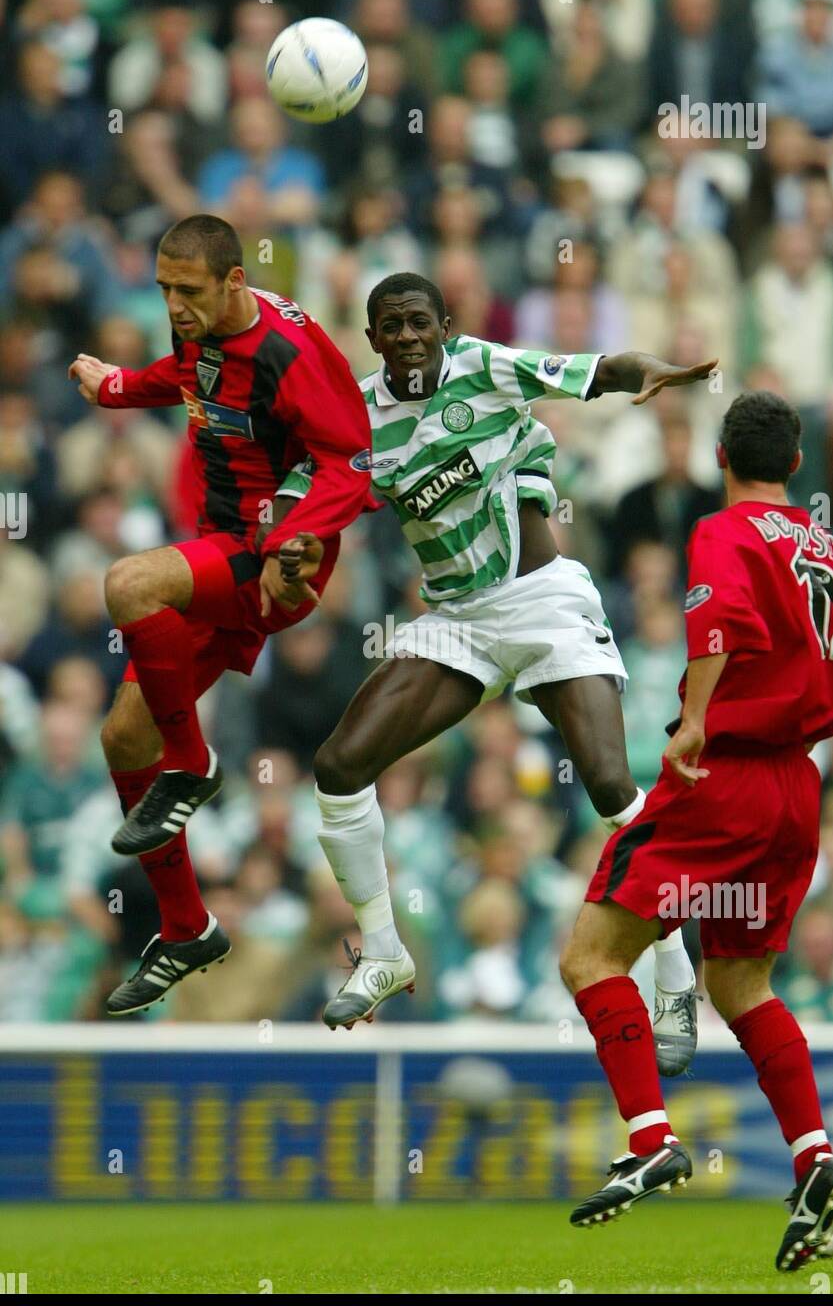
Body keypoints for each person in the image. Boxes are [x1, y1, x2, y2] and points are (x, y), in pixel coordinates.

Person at [276, 271, 715, 1055]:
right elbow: (302, 506)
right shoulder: (358, 419)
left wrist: (644, 369)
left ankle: (676, 981)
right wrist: (290, 544)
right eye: (391, 326)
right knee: (338, 767)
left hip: (542, 601)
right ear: (372, 339)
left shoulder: (484, 366)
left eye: (419, 322)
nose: (407, 336)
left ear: (444, 326)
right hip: (456, 620)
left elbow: (592, 372)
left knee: (611, 786)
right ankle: (382, 949)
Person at [68, 214, 372, 1017]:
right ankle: (187, 926)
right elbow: (192, 377)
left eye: (187, 289)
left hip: (273, 554)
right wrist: (120, 387)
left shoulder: (291, 351)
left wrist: (295, 541)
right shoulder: (205, 331)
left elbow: (353, 458)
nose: (172, 303)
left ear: (235, 282)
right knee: (119, 738)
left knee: (131, 584)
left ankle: (193, 763)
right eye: (163, 287)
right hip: (223, 549)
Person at [559, 390, 833, 1273]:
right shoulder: (823, 547)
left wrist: (692, 724)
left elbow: (718, 624)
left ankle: (648, 1140)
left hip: (724, 776)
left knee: (591, 956)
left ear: (721, 458)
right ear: (795, 463)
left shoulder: (724, 532)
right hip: (797, 787)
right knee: (740, 982)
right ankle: (815, 1157)